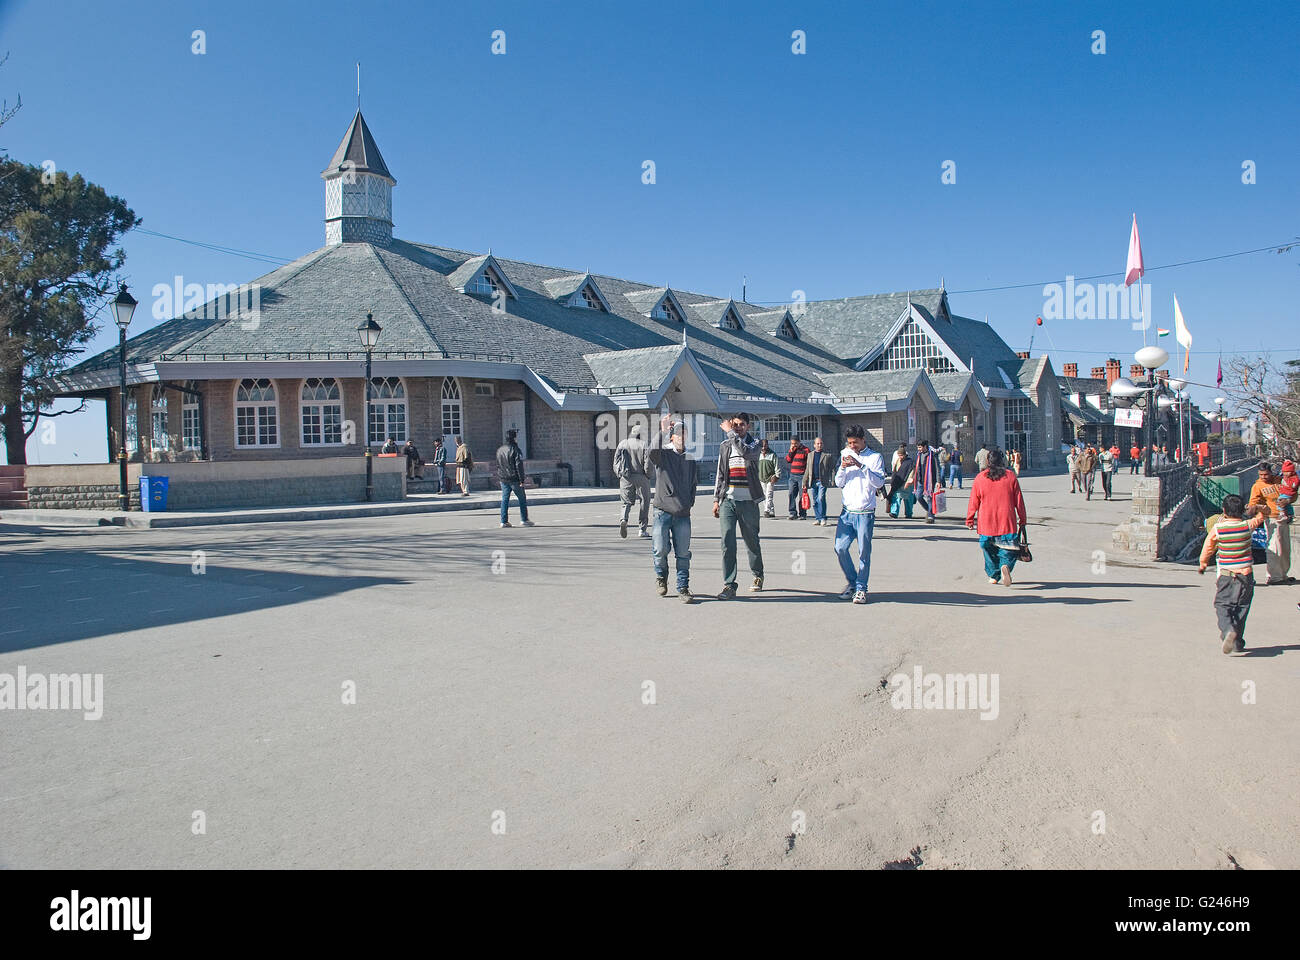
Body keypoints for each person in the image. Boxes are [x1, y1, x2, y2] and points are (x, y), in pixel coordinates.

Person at [1199, 494, 1265, 654]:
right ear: (1242, 511)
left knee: (1223, 604)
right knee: (1242, 606)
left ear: (1224, 511)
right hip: (1246, 575)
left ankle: (1228, 631)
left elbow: (1208, 547)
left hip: (1227, 574)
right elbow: (1261, 517)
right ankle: (1237, 642)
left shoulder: (1219, 529)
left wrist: (1203, 563)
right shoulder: (1247, 525)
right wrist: (1259, 509)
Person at [712, 413, 765, 599]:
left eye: (742, 425)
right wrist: (716, 499)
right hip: (729, 500)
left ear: (748, 426)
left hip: (749, 500)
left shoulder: (755, 443)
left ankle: (757, 574)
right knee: (727, 542)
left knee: (751, 541)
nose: (738, 427)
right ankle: (729, 584)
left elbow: (746, 452)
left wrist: (730, 433)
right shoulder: (725, 446)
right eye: (734, 425)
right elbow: (720, 473)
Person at [833, 425, 887, 604]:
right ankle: (853, 582)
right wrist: (842, 467)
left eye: (855, 442)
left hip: (865, 512)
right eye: (849, 443)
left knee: (864, 552)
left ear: (863, 439)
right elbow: (838, 482)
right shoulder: (844, 453)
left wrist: (860, 465)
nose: (852, 446)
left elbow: (879, 483)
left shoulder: (875, 457)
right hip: (847, 512)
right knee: (840, 548)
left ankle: (861, 588)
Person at [648, 414, 697, 602]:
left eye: (684, 433)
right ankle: (661, 577)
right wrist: (662, 430)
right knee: (660, 549)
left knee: (683, 553)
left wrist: (689, 502)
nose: (681, 437)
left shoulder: (690, 458)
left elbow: (693, 483)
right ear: (672, 437)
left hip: (683, 513)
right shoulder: (663, 455)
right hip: (662, 511)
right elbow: (651, 452)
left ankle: (683, 588)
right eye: (678, 434)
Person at [965, 447, 1028, 587]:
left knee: (988, 548)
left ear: (988, 462)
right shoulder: (1010, 476)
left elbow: (973, 501)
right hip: (1006, 521)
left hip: (986, 522)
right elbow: (1019, 500)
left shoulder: (980, 478)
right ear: (1002, 461)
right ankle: (1005, 565)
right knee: (1010, 549)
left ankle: (994, 574)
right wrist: (1023, 518)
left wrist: (970, 518)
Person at [1248, 461, 1293, 585]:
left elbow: (1291, 493)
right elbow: (1253, 502)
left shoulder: (1279, 481)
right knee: (1274, 548)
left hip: (1283, 517)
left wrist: (1288, 501)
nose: (1263, 477)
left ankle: (1283, 574)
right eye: (1261, 475)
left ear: (1271, 473)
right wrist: (1254, 508)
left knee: (1285, 548)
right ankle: (1274, 577)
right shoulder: (1257, 486)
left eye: (1266, 474)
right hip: (1271, 519)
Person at [614, 425, 652, 539]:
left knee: (626, 502)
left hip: (625, 477)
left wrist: (619, 473)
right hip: (641, 476)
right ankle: (642, 529)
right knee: (644, 502)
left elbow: (616, 460)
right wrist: (648, 475)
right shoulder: (644, 445)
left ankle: (624, 519)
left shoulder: (622, 443)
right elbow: (648, 463)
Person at [495, 429, 534, 528]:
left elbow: (498, 465)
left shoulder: (500, 450)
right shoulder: (515, 449)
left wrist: (500, 476)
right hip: (514, 478)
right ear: (514, 438)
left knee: (505, 499)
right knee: (522, 498)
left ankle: (503, 521)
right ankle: (524, 519)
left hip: (503, 478)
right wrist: (522, 479)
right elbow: (518, 465)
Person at [802, 437, 835, 526]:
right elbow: (807, 469)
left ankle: (823, 518)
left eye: (821, 443)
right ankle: (818, 518)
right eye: (817, 444)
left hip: (822, 481)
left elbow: (832, 469)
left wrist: (832, 480)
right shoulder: (810, 455)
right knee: (815, 501)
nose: (819, 445)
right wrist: (804, 482)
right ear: (814, 445)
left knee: (821, 498)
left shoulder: (827, 456)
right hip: (813, 481)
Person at [913, 439, 944, 525]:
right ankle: (930, 510)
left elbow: (937, 469)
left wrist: (938, 481)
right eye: (918, 447)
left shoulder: (932, 455)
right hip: (920, 480)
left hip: (930, 481)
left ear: (925, 446)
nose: (918, 449)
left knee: (929, 498)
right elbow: (916, 468)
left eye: (919, 447)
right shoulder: (919, 455)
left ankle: (930, 515)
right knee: (918, 496)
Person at [888, 446, 915, 519]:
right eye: (899, 455)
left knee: (908, 499)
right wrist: (893, 482)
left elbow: (912, 471)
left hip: (907, 483)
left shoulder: (910, 461)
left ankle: (909, 513)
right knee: (896, 497)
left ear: (905, 454)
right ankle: (894, 512)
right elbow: (895, 471)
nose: (900, 457)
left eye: (901, 455)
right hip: (898, 483)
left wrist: (909, 480)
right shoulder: (897, 461)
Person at [785, 437, 809, 519]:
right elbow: (788, 460)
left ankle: (802, 513)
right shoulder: (792, 450)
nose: (794, 445)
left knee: (802, 495)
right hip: (792, 476)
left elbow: (809, 463)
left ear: (799, 442)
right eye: (792, 443)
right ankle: (792, 512)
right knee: (791, 493)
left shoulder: (806, 450)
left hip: (802, 476)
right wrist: (791, 451)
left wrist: (807, 477)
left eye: (795, 443)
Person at [757, 438, 780, 518]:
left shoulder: (772, 454)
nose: (763, 447)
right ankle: (772, 511)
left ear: (767, 445)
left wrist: (777, 476)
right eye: (762, 446)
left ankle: (766, 510)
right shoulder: (758, 454)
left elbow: (777, 466)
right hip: (761, 477)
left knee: (769, 495)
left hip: (771, 477)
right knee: (764, 495)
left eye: (765, 445)